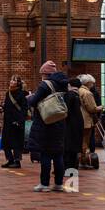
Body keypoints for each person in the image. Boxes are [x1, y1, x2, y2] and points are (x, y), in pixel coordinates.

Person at [27, 61, 70, 191]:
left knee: (45, 154)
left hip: (46, 122)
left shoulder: (45, 84)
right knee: (58, 154)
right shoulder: (64, 84)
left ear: (45, 74)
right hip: (60, 121)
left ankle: (44, 184)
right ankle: (58, 184)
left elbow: (34, 102)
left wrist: (29, 98)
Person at [1, 77, 28, 167]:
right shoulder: (8, 93)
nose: (11, 81)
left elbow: (24, 109)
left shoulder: (22, 94)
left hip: (17, 121)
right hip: (8, 121)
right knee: (6, 142)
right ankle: (10, 160)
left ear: (18, 83)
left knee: (16, 142)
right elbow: (8, 106)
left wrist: (19, 121)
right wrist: (2, 108)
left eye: (14, 80)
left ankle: (17, 161)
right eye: (11, 79)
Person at [77, 75, 102, 165]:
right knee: (85, 142)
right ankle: (84, 161)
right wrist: (100, 107)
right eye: (92, 83)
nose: (93, 85)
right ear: (88, 83)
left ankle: (79, 160)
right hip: (86, 121)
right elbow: (92, 108)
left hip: (79, 120)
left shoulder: (78, 90)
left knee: (79, 141)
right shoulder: (87, 93)